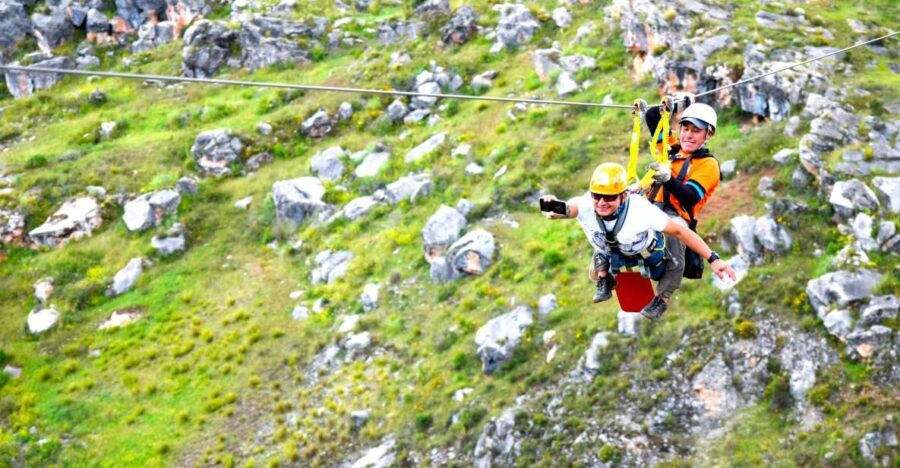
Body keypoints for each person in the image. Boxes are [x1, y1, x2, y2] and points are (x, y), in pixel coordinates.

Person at [541, 162, 735, 320]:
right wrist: (553, 209)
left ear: (623, 196)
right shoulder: (586, 205)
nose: (601, 202)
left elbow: (680, 232)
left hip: (647, 254)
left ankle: (663, 298)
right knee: (599, 255)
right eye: (597, 196)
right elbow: (568, 209)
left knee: (675, 256)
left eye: (608, 197)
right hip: (610, 253)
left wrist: (713, 259)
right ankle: (603, 279)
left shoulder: (640, 210)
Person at [642, 95, 722, 292]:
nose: (688, 135)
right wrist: (677, 105)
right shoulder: (671, 149)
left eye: (696, 131)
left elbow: (690, 196)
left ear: (707, 135)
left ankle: (665, 294)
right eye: (685, 129)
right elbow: (653, 115)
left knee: (675, 232)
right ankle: (604, 269)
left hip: (675, 214)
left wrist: (668, 179)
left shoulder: (708, 164)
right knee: (612, 205)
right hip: (649, 207)